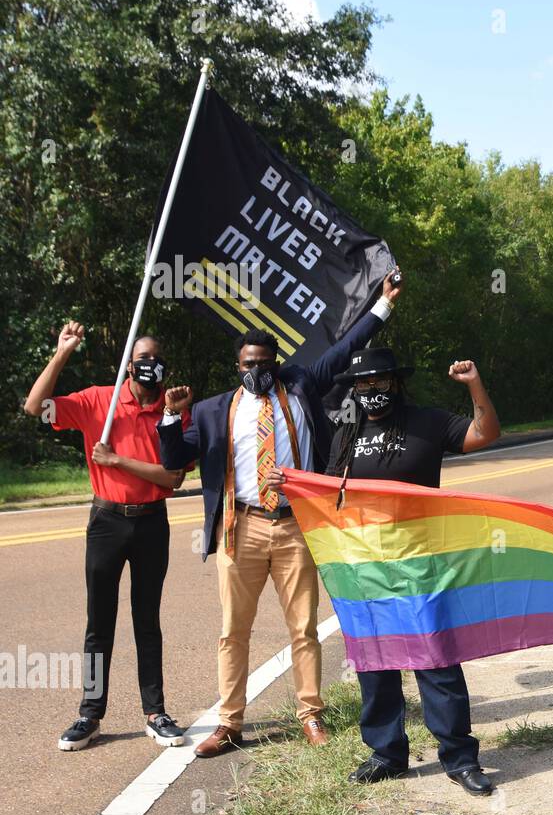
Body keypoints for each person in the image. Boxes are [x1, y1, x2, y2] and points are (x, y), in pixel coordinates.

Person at [158, 273, 401, 758]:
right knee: (233, 630)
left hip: (294, 525)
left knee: (303, 628)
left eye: (266, 362)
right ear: (238, 367)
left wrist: (384, 305)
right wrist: (170, 416)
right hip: (240, 527)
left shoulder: (300, 386)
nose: (258, 370)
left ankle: (310, 714)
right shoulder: (212, 412)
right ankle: (229, 724)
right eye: (250, 363)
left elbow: (346, 344)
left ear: (276, 364)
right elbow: (172, 460)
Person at [324, 348, 501, 795]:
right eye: (362, 384)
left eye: (379, 381)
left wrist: (474, 384)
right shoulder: (346, 434)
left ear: (397, 383)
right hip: (364, 567)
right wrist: (290, 485)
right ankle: (387, 753)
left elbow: (486, 433)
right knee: (374, 661)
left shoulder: (428, 422)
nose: (370, 391)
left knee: (436, 659)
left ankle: (459, 757)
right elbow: (331, 494)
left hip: (422, 563)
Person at [24, 323, 189, 751]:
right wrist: (62, 353)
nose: (148, 367)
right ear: (128, 367)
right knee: (99, 623)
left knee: (146, 620)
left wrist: (116, 459)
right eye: (140, 360)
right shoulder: (101, 399)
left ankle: (155, 712)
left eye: (155, 359)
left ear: (164, 366)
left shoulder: (175, 408)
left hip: (152, 520)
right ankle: (90, 713)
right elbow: (34, 407)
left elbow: (172, 478)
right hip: (107, 521)